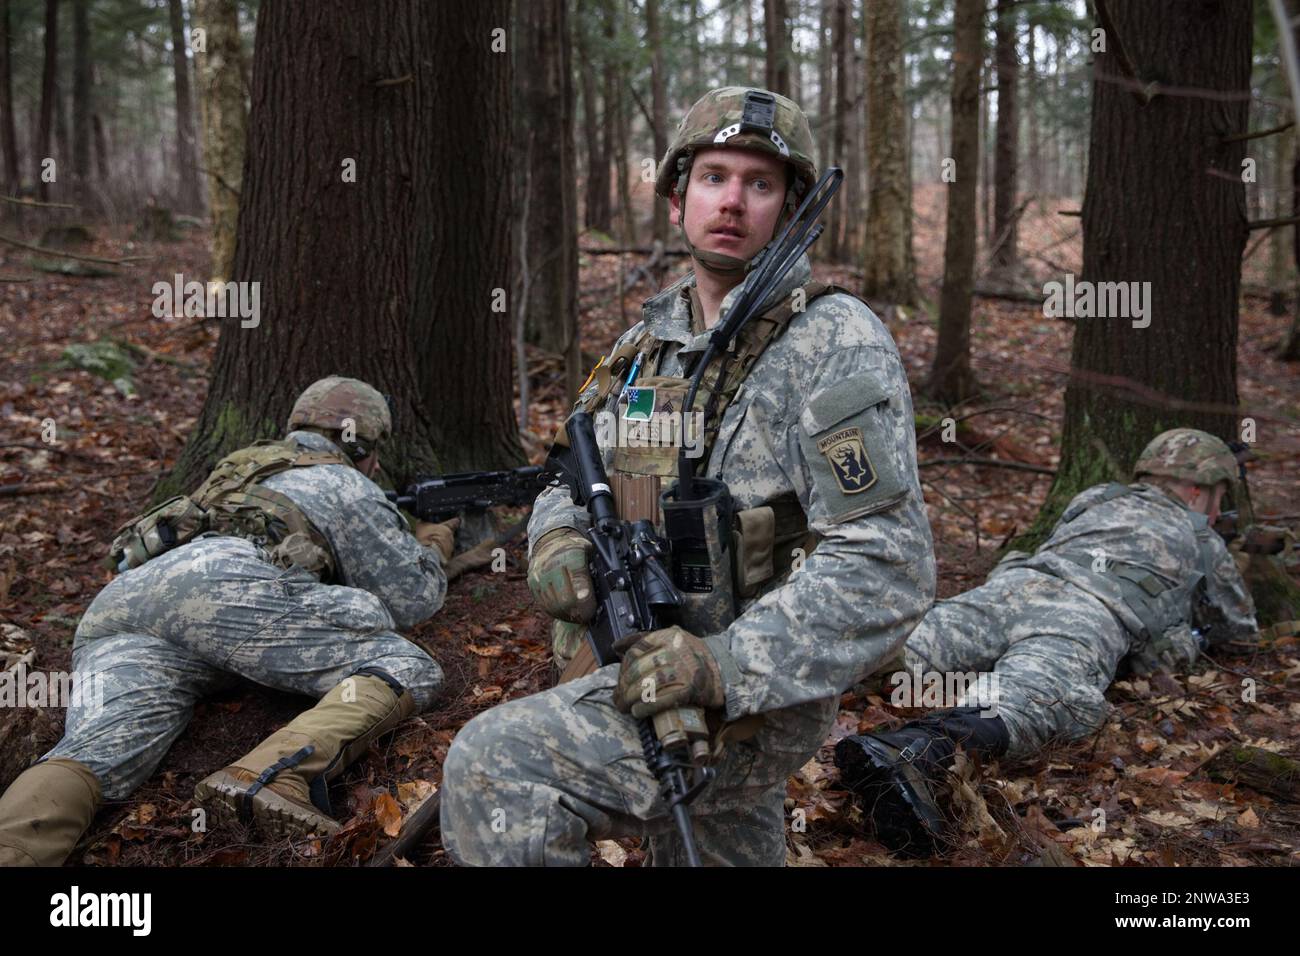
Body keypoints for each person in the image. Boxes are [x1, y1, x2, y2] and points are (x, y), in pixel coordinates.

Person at [439, 87, 936, 866]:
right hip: (637, 659)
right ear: (678, 199)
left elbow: (888, 564)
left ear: (791, 207)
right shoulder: (648, 343)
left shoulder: (835, 343)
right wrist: (556, 541)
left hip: (752, 693)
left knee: (498, 765)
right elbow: (575, 474)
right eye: (713, 177)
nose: (732, 200)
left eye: (759, 183)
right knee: (716, 841)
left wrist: (722, 665)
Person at [0, 376, 457, 865]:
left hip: (123, 605)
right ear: (364, 446)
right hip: (223, 593)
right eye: (377, 453)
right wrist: (435, 541)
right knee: (405, 664)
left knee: (95, 752)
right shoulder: (346, 483)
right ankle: (270, 774)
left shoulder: (237, 467)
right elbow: (412, 599)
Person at [835, 428, 1259, 856]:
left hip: (1016, 587)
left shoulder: (1096, 498)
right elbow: (1238, 632)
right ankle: (918, 753)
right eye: (1219, 496)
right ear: (1195, 489)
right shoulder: (1203, 539)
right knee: (1030, 698)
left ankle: (794, 693)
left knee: (903, 648)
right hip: (1085, 613)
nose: (1218, 509)